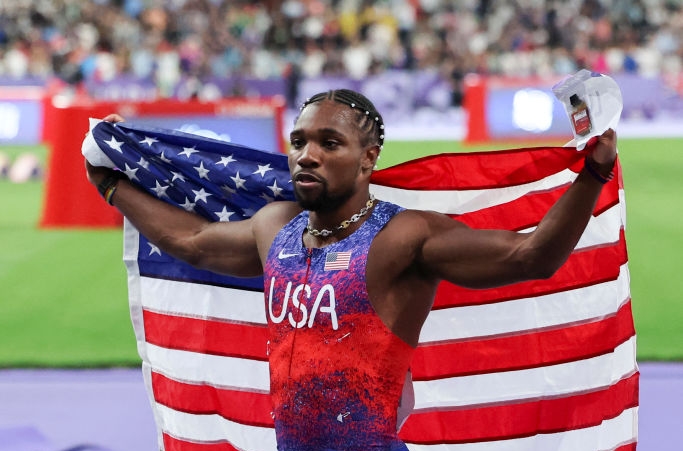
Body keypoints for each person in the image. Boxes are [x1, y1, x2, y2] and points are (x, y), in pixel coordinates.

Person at [85, 89, 617, 451]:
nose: (307, 156)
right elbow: (193, 242)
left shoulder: (404, 237)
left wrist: (593, 173)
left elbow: (531, 257)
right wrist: (111, 182)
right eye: (299, 143)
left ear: (368, 159)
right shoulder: (275, 226)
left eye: (329, 143)